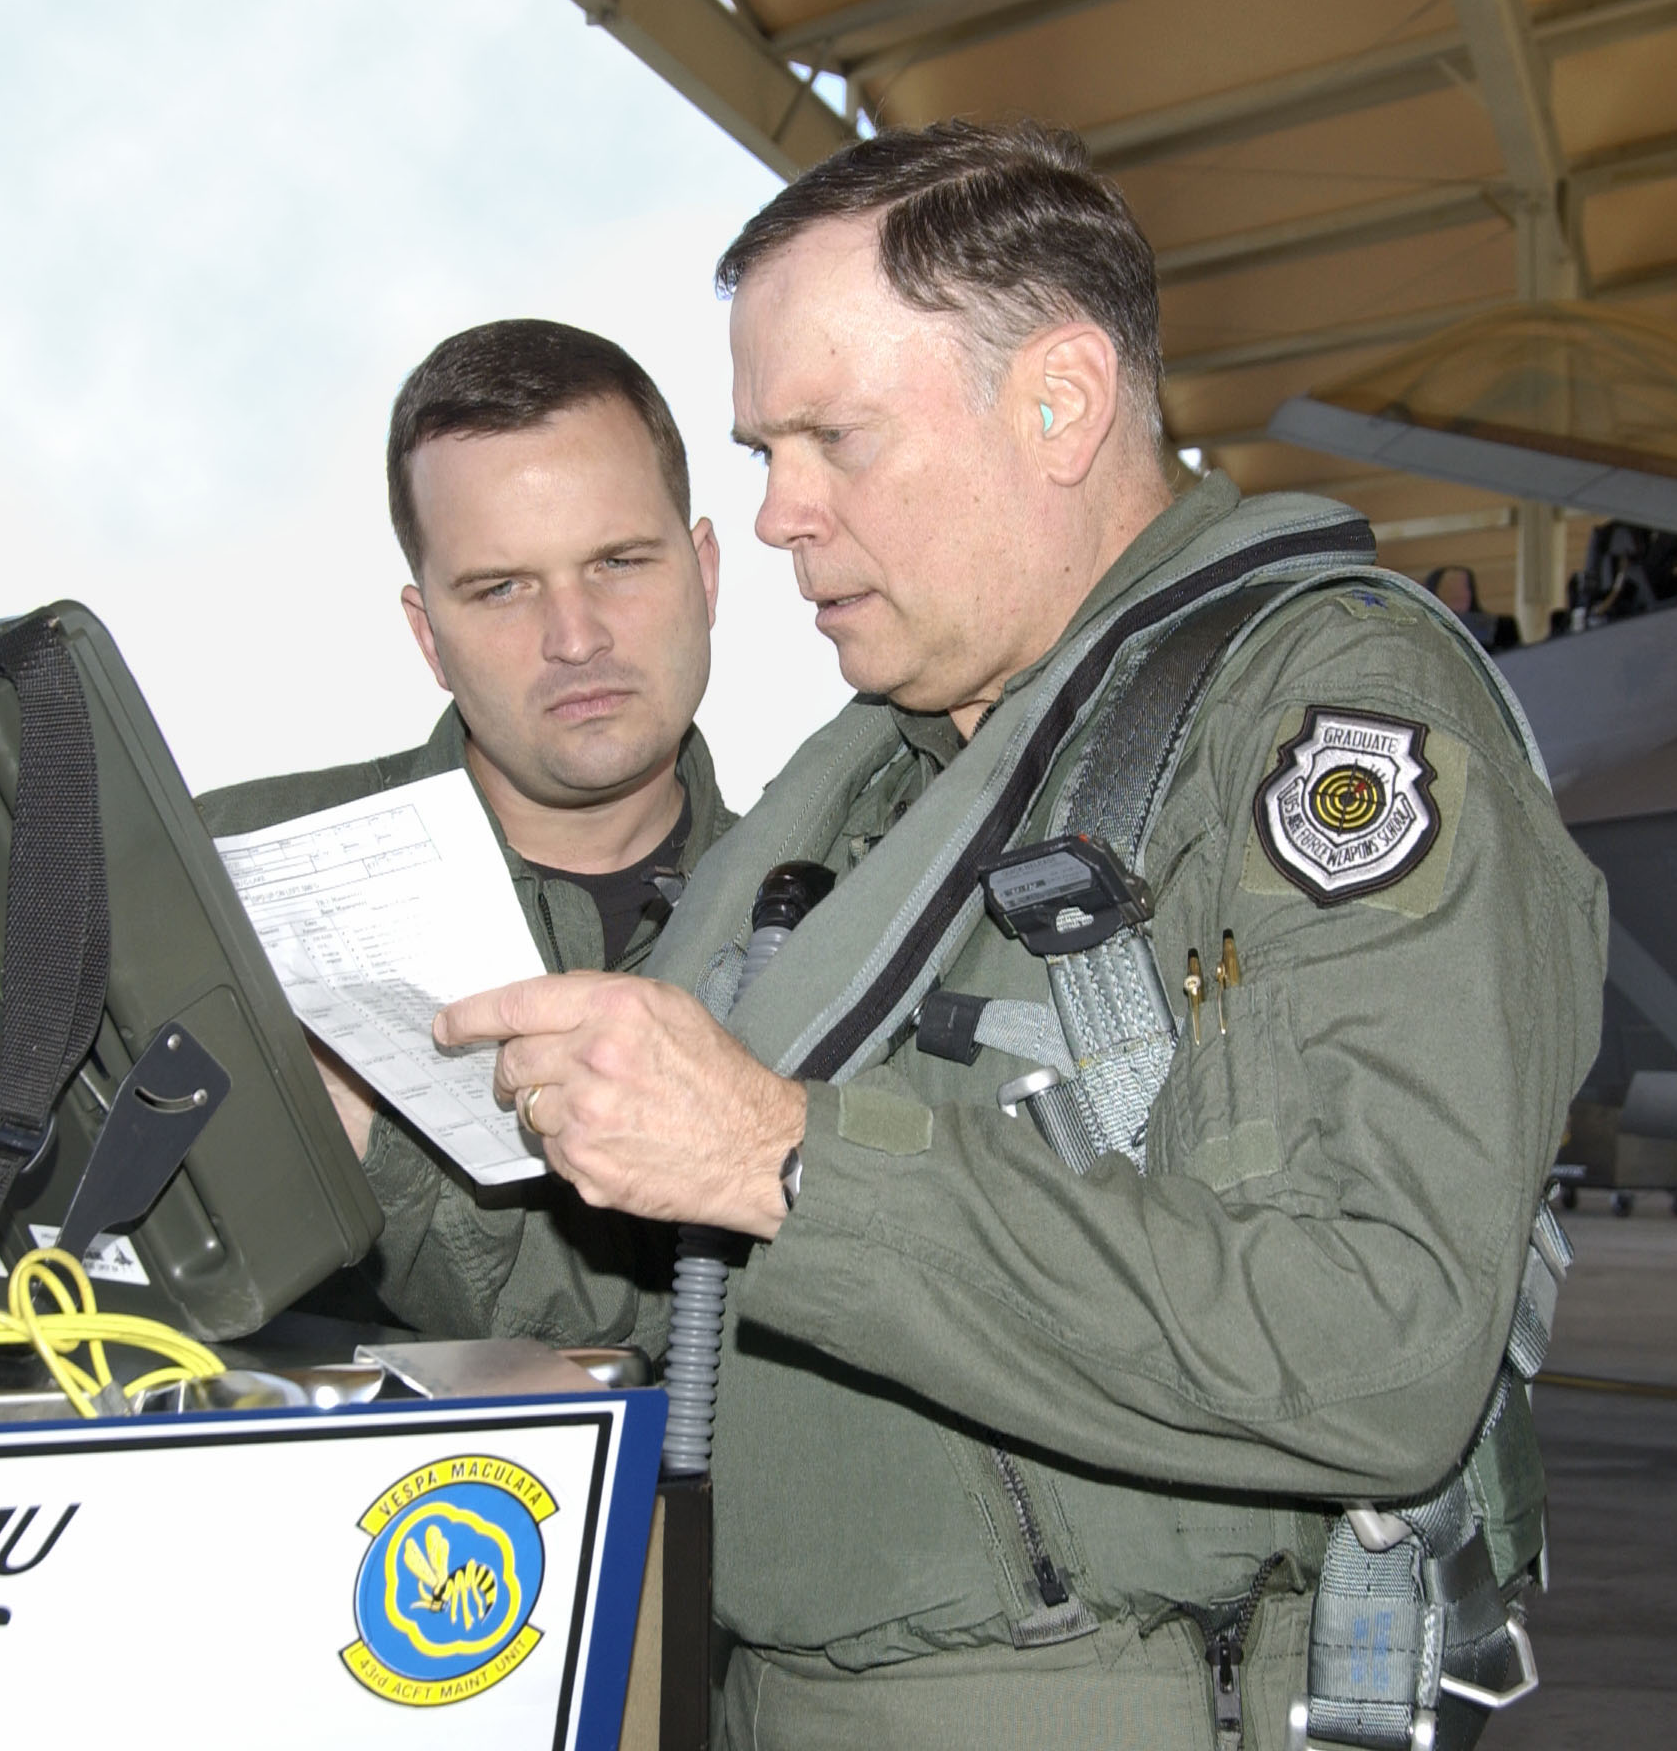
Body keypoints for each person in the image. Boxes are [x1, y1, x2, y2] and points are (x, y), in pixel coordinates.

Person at [396, 123, 1606, 1747]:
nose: (774, 518)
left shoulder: (1312, 730)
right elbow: (624, 1308)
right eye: (763, 451)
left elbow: (1379, 1353)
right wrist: (368, 1120)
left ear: (1058, 402)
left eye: (832, 439)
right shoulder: (872, 796)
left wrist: (793, 1161)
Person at [195, 319, 734, 1326]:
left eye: (618, 561)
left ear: (703, 573)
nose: (574, 637)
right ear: (426, 634)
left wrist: (358, 1125)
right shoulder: (217, 875)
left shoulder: (848, 904)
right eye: (501, 588)